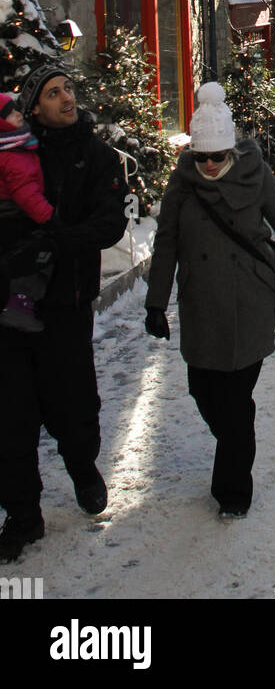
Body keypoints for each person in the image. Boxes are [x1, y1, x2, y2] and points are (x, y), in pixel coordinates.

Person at [145, 83, 275, 518]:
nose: (210, 164)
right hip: (200, 303)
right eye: (202, 157)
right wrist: (156, 302)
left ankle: (233, 491)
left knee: (235, 402)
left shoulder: (255, 173)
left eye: (217, 156)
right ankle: (231, 445)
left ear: (231, 150)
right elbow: (167, 241)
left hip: (248, 299)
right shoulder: (183, 181)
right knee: (203, 390)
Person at [0, 63, 126, 563]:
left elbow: (109, 222)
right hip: (10, 305)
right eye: (53, 93)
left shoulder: (94, 156)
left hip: (67, 304)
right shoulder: (14, 155)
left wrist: (56, 241)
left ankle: (81, 467)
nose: (66, 98)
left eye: (69, 88)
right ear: (34, 107)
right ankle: (24, 515)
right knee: (11, 416)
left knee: (73, 404)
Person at [0, 93, 57, 333]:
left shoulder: (17, 144)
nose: (19, 114)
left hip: (18, 211)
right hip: (16, 215)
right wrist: (49, 217)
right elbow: (25, 193)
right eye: (11, 114)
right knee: (41, 252)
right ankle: (21, 304)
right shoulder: (12, 155)